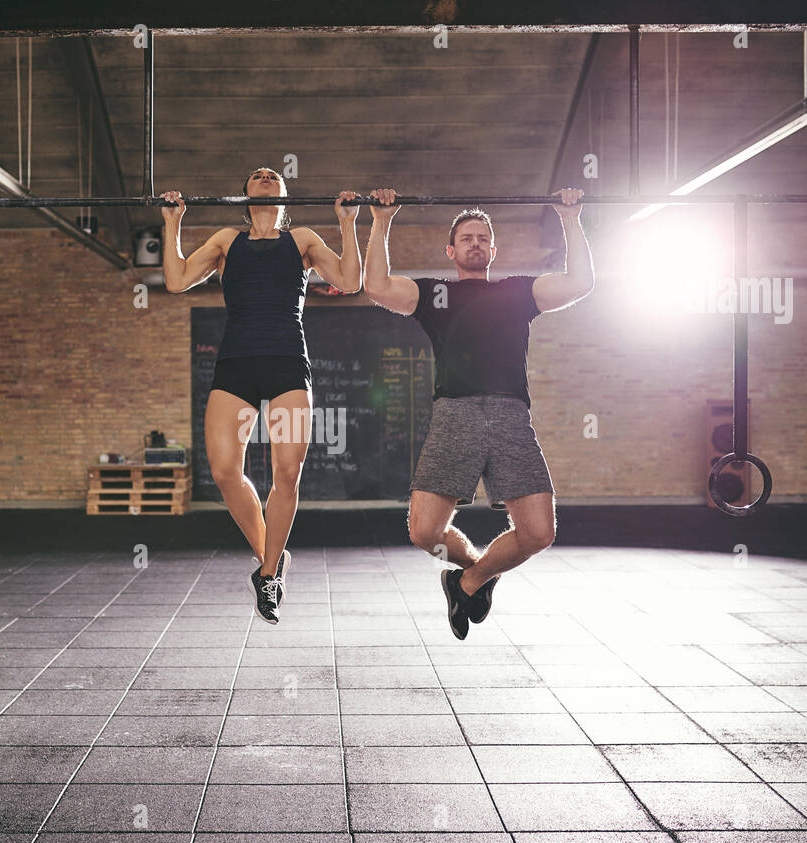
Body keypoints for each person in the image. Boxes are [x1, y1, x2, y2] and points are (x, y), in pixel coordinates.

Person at [362, 188, 593, 638]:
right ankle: (476, 574)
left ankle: (467, 581)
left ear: (493, 249)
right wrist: (381, 220)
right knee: (424, 532)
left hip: (510, 417)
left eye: (483, 238)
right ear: (451, 250)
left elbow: (580, 283)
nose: (475, 243)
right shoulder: (435, 294)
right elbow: (376, 286)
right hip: (455, 415)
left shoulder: (519, 291)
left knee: (539, 533)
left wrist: (570, 218)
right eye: (466, 238)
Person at [160, 168, 362, 623]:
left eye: (273, 174)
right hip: (236, 366)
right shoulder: (227, 241)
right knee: (225, 471)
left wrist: (348, 223)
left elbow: (350, 279)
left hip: (288, 365)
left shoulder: (303, 240)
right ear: (244, 194)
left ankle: (268, 573)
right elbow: (176, 280)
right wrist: (172, 223)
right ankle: (273, 560)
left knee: (286, 473)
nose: (266, 175)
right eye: (257, 174)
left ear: (284, 194)